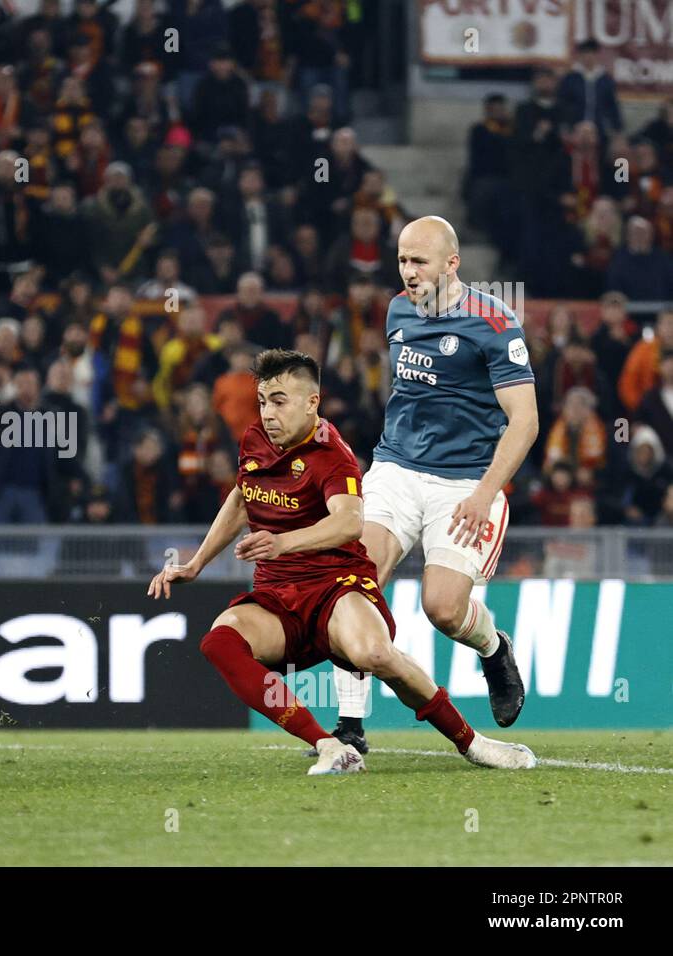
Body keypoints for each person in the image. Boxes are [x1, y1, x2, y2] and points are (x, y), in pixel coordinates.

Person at [147, 349, 536, 774]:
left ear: (312, 402)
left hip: (336, 588)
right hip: (279, 598)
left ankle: (471, 742)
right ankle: (331, 745)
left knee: (375, 655)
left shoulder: (332, 455)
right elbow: (242, 497)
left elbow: (349, 523)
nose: (267, 412)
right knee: (219, 642)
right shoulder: (255, 439)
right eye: (262, 401)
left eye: (279, 401)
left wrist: (283, 543)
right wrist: (197, 563)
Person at [328, 216, 538, 753]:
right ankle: (349, 727)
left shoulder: (493, 322)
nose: (409, 271)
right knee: (353, 581)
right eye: (402, 260)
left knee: (442, 609)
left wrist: (485, 492)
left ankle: (493, 649)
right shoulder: (397, 310)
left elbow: (525, 421)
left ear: (453, 263)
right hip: (396, 469)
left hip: (465, 483)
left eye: (419, 261)